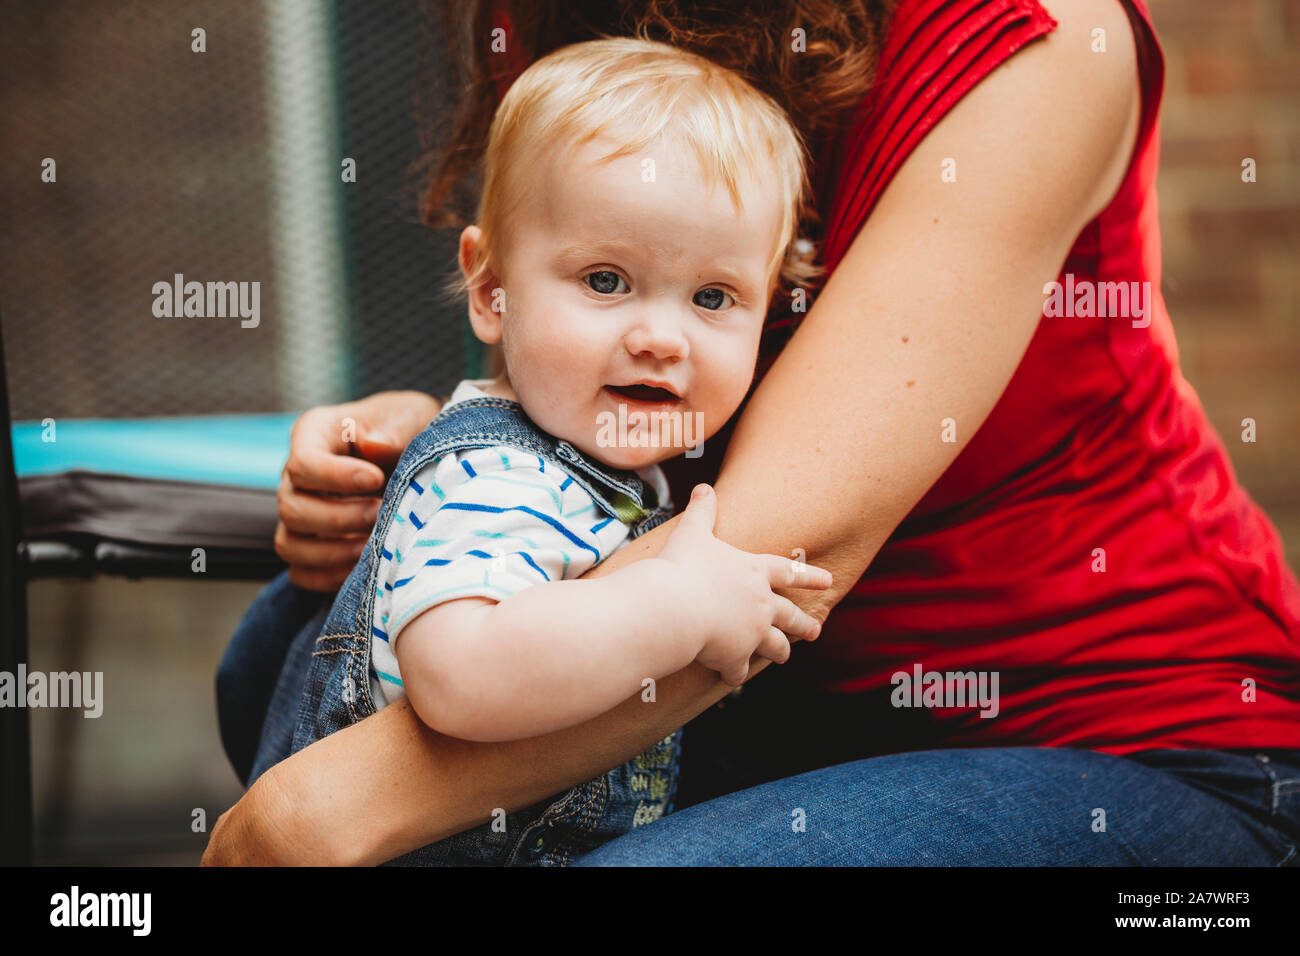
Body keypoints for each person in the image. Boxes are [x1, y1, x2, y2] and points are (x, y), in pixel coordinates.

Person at [206, 0, 1300, 866]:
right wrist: (430, 448)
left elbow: (775, 559)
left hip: (1107, 725)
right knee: (285, 645)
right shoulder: (575, 9)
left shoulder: (1037, 41)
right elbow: (594, 355)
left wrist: (310, 815)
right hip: (793, 705)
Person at [254, 36, 831, 865]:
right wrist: (679, 608)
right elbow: (460, 675)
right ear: (491, 292)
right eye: (605, 280)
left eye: (713, 296)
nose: (661, 337)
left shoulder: (602, 472)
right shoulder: (499, 475)